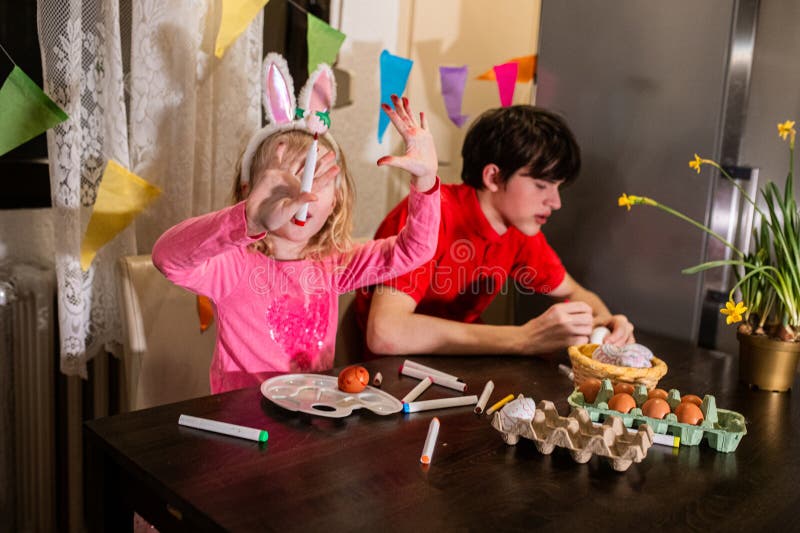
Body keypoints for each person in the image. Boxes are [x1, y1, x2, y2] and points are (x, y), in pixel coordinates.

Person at [153, 54, 440, 393]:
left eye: (317, 180)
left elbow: (415, 250)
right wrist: (247, 219)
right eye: (287, 181)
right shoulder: (231, 264)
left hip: (312, 419)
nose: (303, 195)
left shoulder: (335, 263)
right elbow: (166, 257)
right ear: (250, 191)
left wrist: (427, 182)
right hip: (243, 427)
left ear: (337, 199)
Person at [355, 105, 634, 357]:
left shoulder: (520, 231)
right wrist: (523, 338)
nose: (556, 202)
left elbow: (576, 293)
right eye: (541, 185)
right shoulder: (430, 213)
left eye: (558, 187)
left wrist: (608, 324)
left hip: (456, 367)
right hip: (390, 375)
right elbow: (385, 333)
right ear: (493, 177)